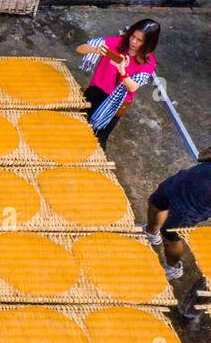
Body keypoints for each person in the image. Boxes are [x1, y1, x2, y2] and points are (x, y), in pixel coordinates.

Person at [75, 19, 160, 147]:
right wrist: (95, 49)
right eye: (132, 36)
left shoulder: (148, 62)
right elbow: (80, 49)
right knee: (78, 123)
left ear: (149, 43)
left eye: (139, 40)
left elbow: (132, 87)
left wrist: (122, 71)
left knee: (98, 137)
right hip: (96, 90)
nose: (133, 41)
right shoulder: (116, 42)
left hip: (117, 102)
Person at [143, 152, 211, 290]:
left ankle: (173, 268)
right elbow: (203, 155)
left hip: (192, 206)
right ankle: (151, 233)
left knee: (170, 237)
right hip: (181, 181)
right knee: (155, 203)